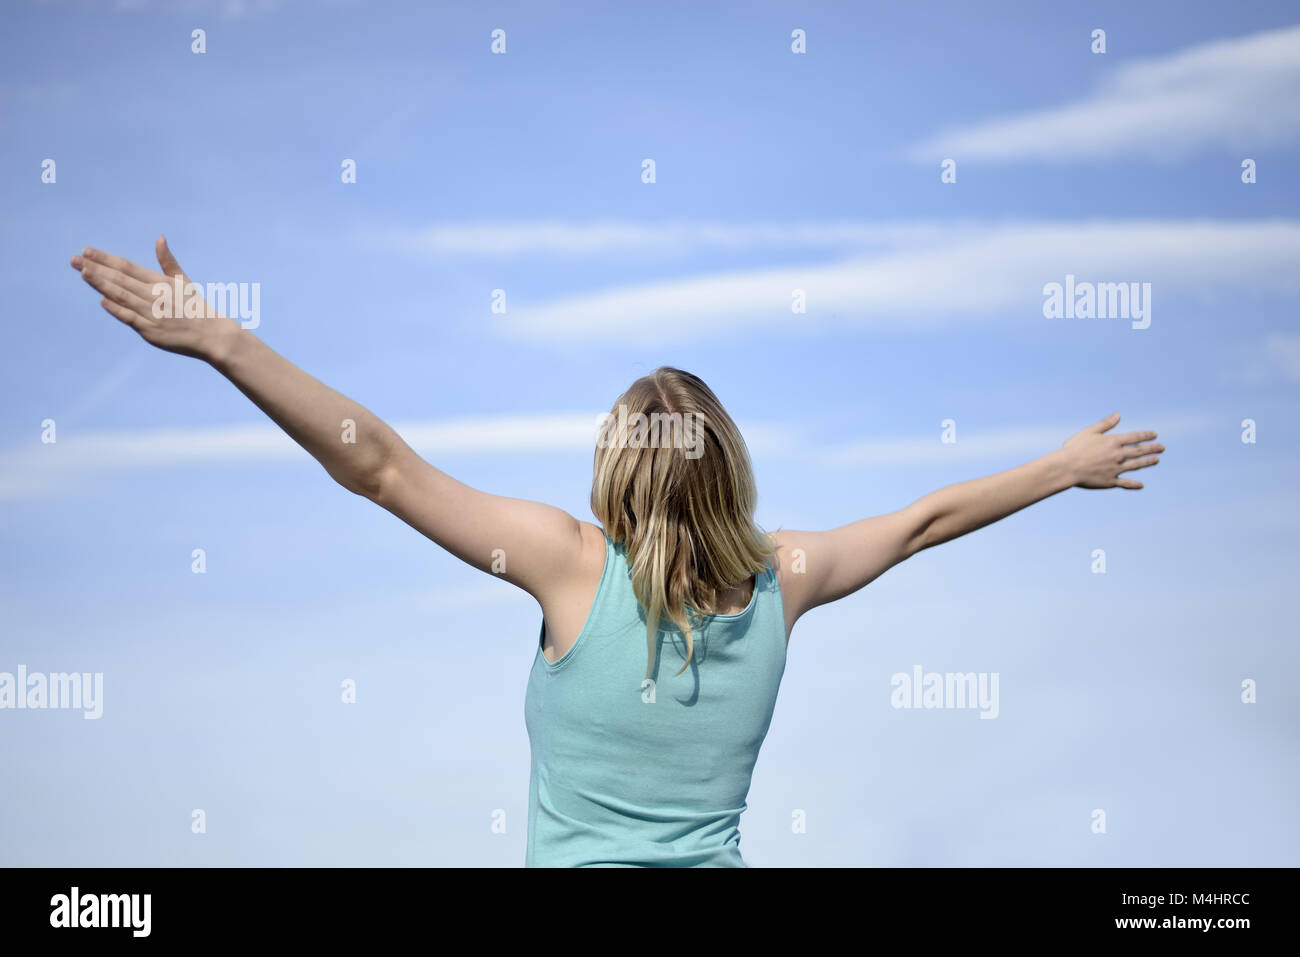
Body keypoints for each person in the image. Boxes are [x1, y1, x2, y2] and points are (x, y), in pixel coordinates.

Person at [71, 237, 1164, 867]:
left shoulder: (566, 564)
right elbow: (924, 521)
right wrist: (1059, 468)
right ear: (728, 467)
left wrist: (225, 342)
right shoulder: (784, 579)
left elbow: (382, 468)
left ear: (614, 472)